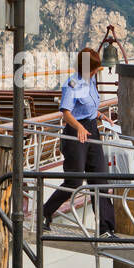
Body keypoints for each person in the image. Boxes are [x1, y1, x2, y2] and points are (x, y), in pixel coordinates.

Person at [41, 47, 116, 235]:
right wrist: (80, 127)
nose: (95, 72)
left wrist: (100, 116)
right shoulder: (72, 84)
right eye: (94, 68)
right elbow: (66, 112)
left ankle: (106, 228)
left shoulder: (91, 82)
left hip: (92, 130)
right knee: (74, 181)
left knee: (100, 179)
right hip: (76, 133)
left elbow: (88, 107)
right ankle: (46, 212)